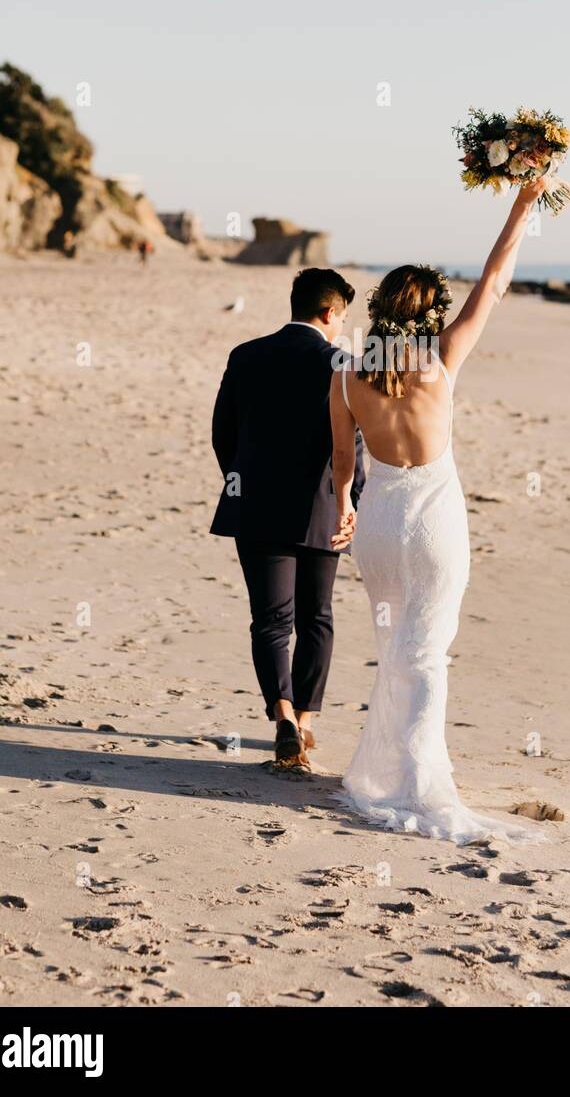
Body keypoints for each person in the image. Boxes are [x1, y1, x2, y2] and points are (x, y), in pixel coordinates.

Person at [328, 181, 550, 844]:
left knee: (393, 650)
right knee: (426, 656)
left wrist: (343, 505)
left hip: (375, 528)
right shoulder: (441, 359)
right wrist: (524, 204)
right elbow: (496, 281)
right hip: (432, 524)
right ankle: (421, 785)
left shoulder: (344, 375)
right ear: (430, 311)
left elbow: (343, 458)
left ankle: (386, 773)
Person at [210, 268, 365, 766]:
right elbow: (352, 446)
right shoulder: (342, 362)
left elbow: (223, 433)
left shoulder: (245, 354)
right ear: (329, 312)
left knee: (271, 620)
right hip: (322, 508)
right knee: (317, 616)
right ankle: (305, 720)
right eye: (343, 315)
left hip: (254, 505)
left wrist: (241, 482)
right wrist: (353, 499)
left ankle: (279, 713)